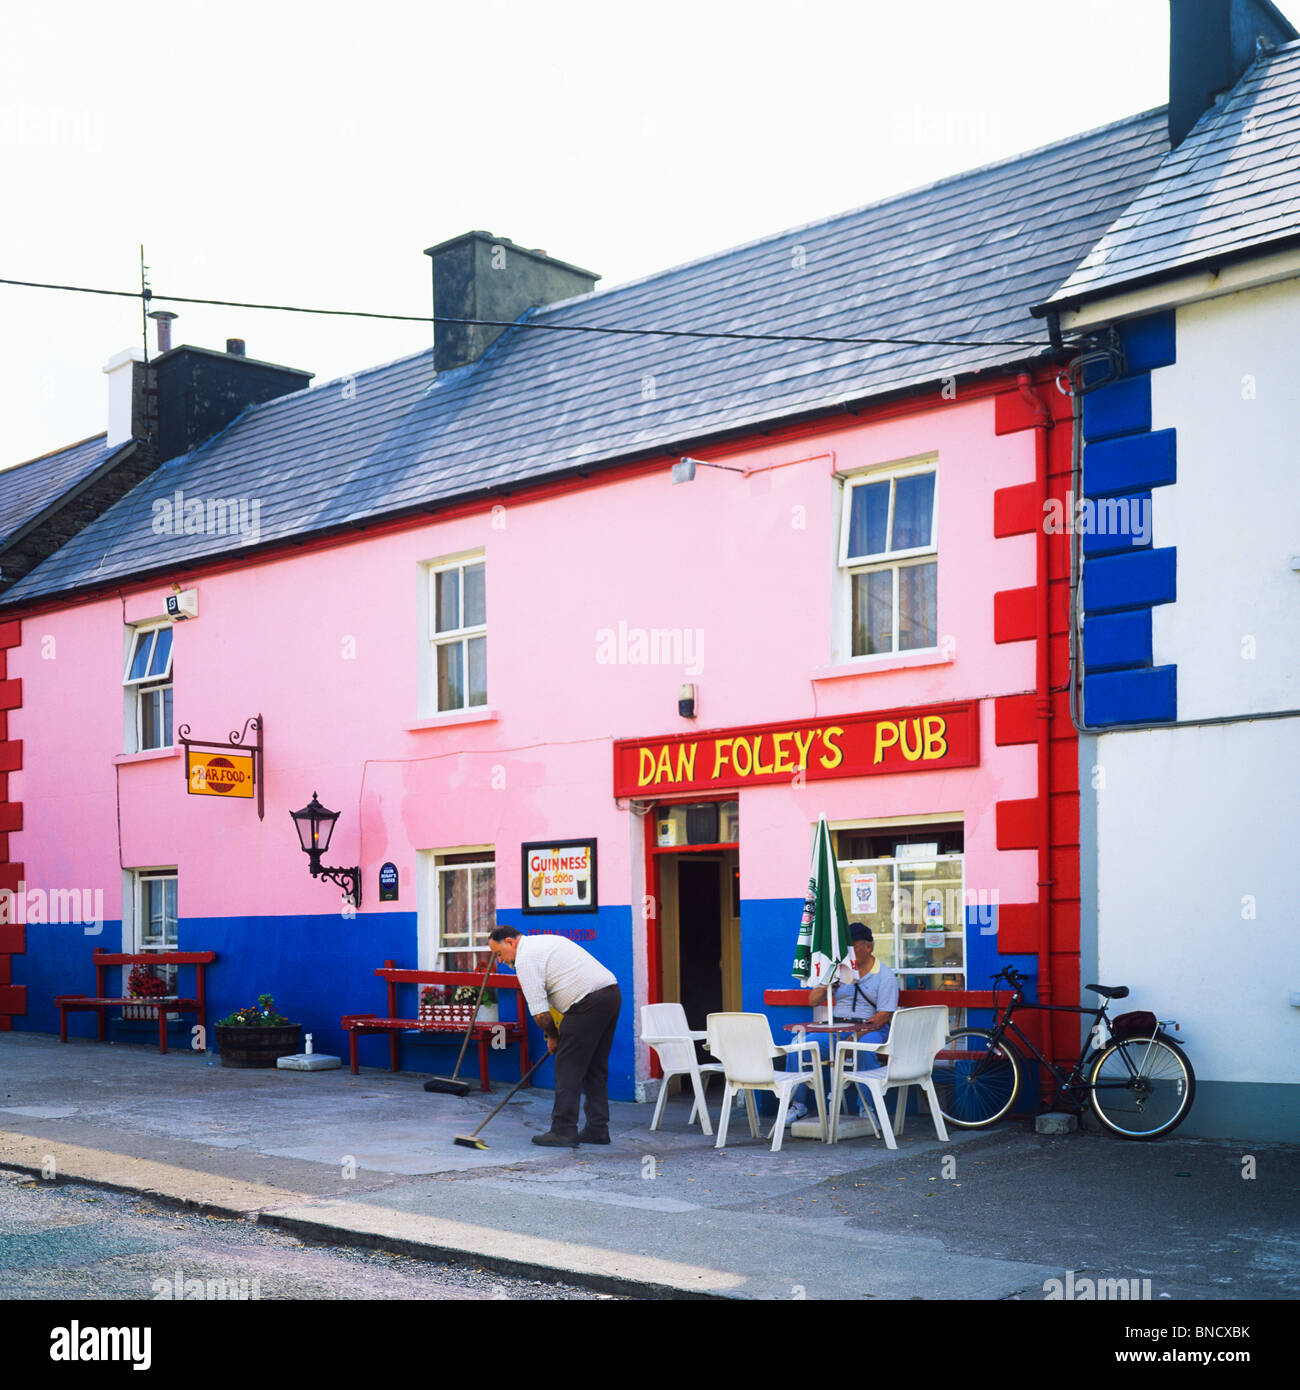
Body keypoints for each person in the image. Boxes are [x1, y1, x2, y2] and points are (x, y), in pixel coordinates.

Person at [488, 925, 621, 1148]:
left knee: (567, 1068)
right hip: (610, 994)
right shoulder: (544, 941)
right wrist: (556, 1035)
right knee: (595, 1068)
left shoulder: (525, 959)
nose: (499, 961)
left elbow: (540, 1013)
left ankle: (563, 1130)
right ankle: (598, 1129)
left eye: (499, 954)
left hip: (585, 1003)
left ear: (511, 942)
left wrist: (552, 1036)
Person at [789, 923, 899, 1122]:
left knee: (865, 1048)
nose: (848, 952)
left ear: (869, 946)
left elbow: (883, 1016)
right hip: (836, 1028)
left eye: (853, 946)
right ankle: (798, 1105)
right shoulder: (839, 970)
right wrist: (826, 985)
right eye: (845, 947)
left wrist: (853, 1038)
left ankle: (866, 1108)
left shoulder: (885, 975)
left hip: (870, 1028)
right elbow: (812, 1001)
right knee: (798, 1047)